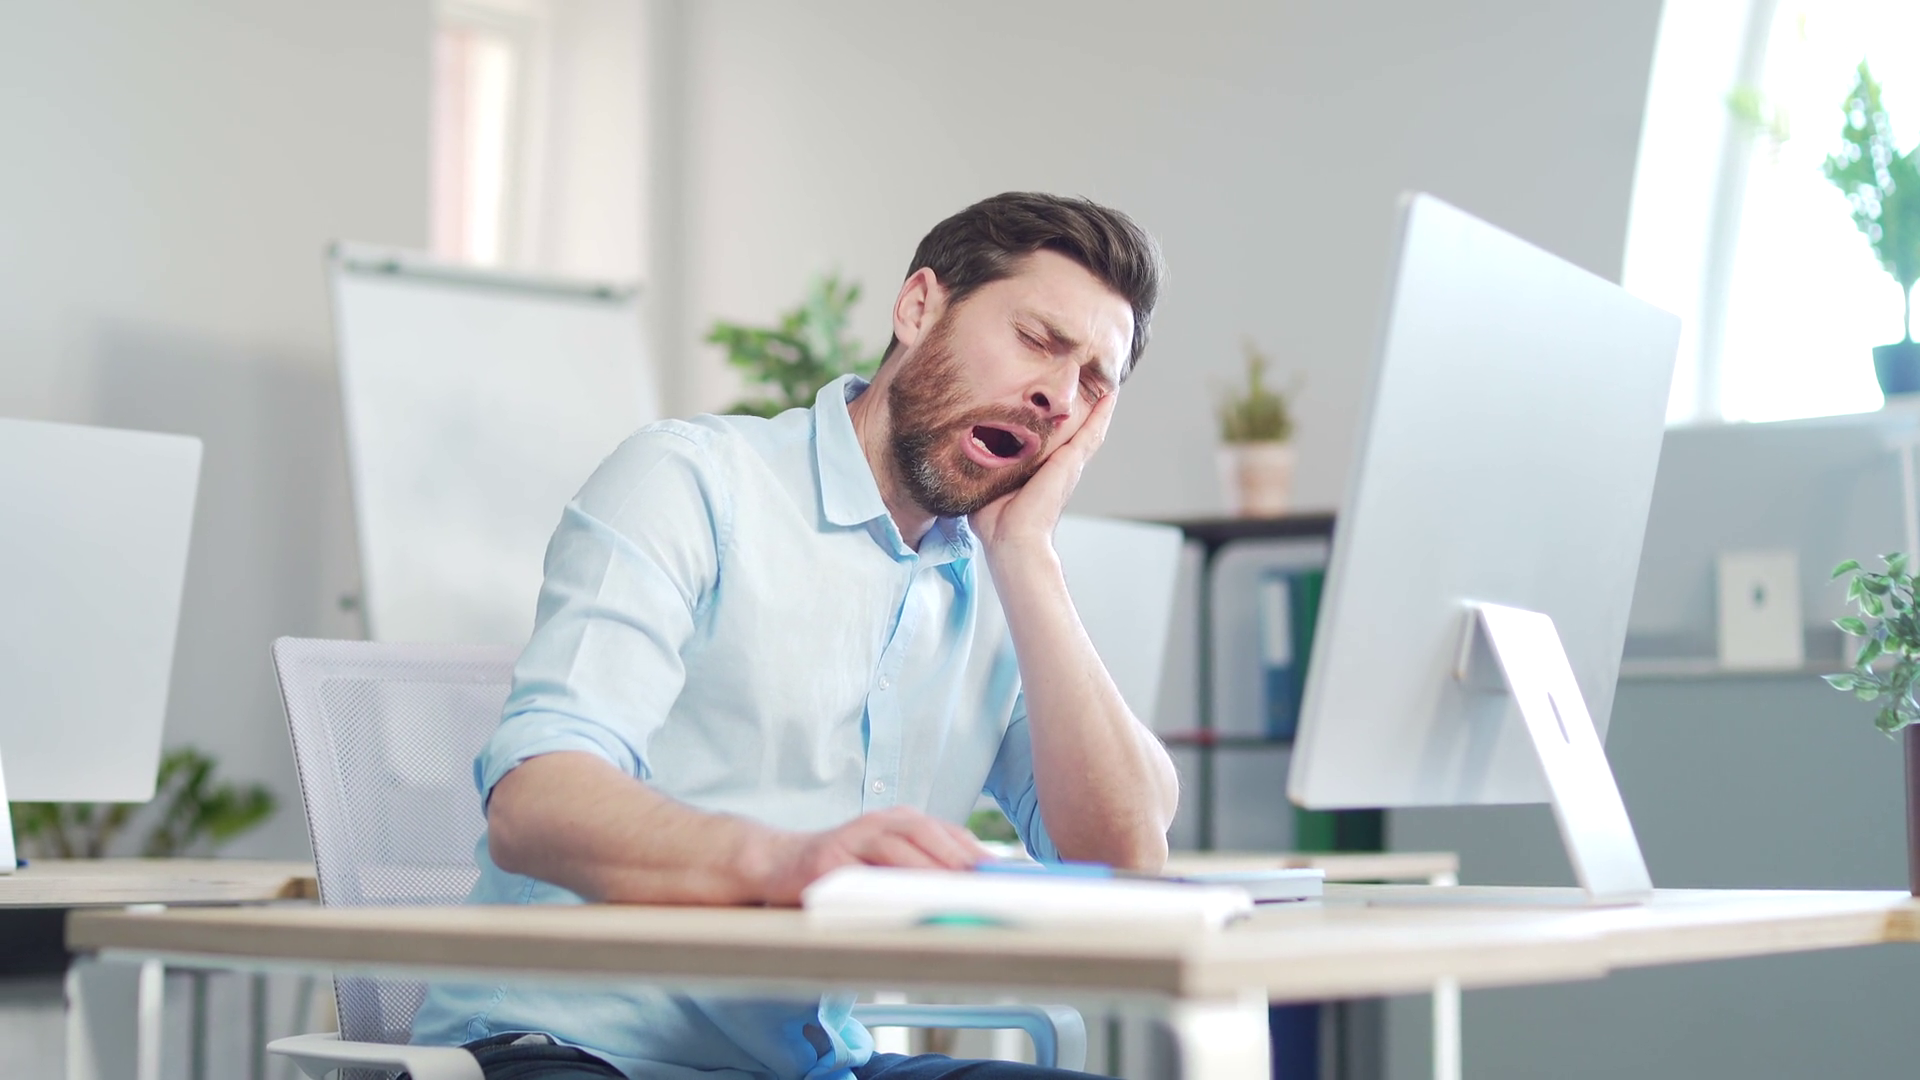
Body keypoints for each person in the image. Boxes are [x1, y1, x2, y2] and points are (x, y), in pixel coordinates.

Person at [409, 192, 1178, 1080]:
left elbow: (1124, 859)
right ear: (919, 306)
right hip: (569, 1050)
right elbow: (535, 803)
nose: (1055, 395)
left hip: (815, 1066)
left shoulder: (1002, 576)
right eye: (1039, 341)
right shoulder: (692, 483)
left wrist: (1030, 555)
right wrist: (788, 863)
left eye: (1094, 383)